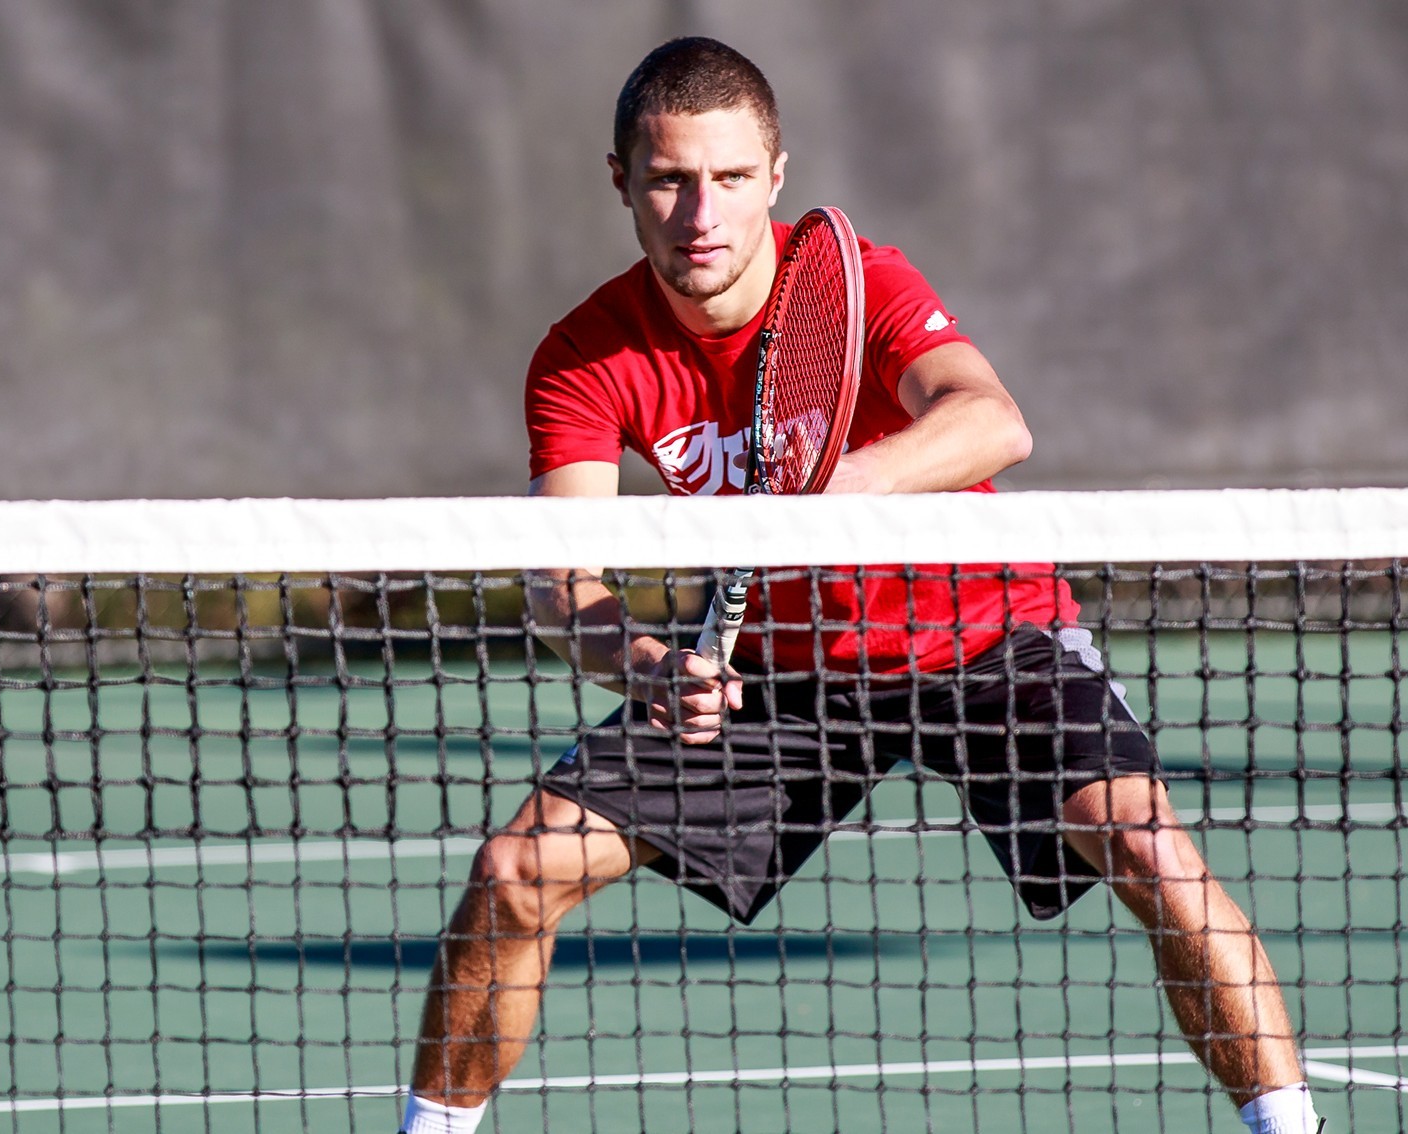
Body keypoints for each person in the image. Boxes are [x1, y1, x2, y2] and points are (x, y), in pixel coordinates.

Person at [398, 36, 1320, 1134]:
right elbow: (563, 584)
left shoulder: (852, 279)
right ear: (620, 184)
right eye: (670, 180)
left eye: (732, 179)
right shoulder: (584, 357)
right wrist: (644, 665)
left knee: (1142, 842)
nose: (703, 213)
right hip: (778, 679)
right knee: (515, 869)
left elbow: (992, 420)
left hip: (986, 638)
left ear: (774, 180)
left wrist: (843, 490)